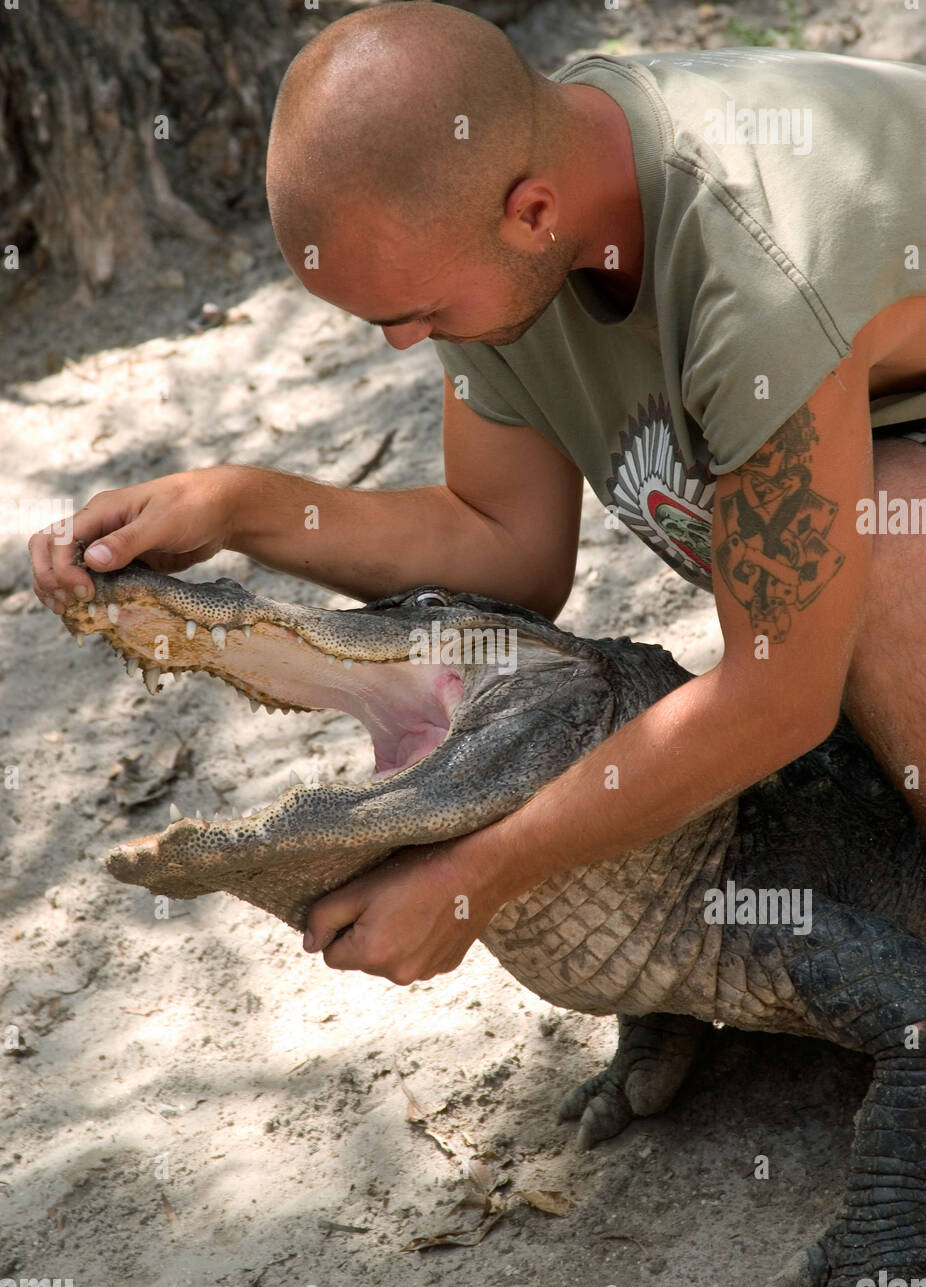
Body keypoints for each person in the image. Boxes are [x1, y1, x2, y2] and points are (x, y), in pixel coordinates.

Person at [30, 2, 926, 986]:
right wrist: (236, 505)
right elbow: (506, 545)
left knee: (888, 539)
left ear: (531, 212)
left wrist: (474, 876)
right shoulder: (524, 212)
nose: (405, 344)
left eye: (418, 314)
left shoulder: (750, 265)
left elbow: (774, 700)